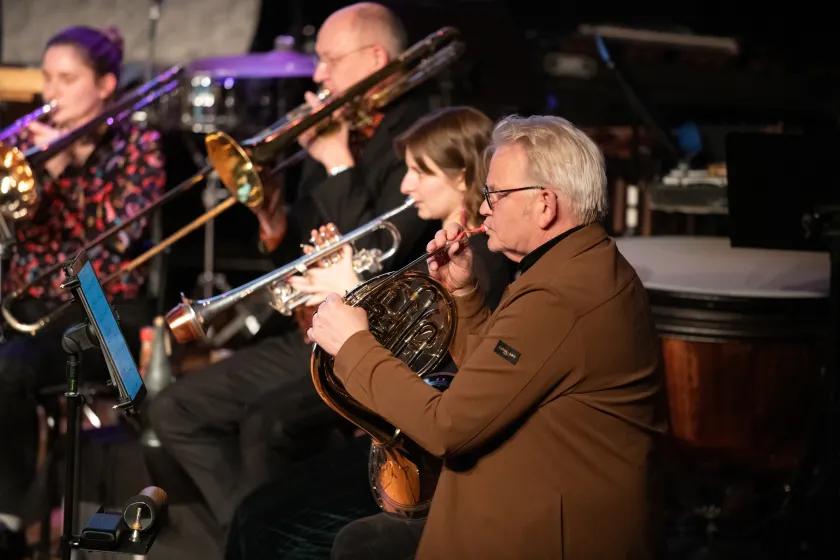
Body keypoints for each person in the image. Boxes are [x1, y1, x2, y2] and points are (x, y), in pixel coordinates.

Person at [309, 114, 668, 559]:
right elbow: (499, 383)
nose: (482, 209)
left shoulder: (560, 295)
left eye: (494, 195)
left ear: (545, 204)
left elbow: (447, 429)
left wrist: (353, 346)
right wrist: (464, 295)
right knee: (364, 542)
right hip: (532, 503)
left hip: (545, 533)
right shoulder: (578, 262)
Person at [148, 1, 440, 538]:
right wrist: (273, 219)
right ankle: (254, 539)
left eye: (329, 60)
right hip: (310, 329)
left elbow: (377, 255)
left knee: (266, 424)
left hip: (371, 339)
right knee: (174, 410)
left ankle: (263, 540)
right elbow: (303, 262)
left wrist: (335, 162)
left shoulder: (421, 135)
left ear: (375, 58)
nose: (318, 75)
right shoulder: (334, 133)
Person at [223, 106, 517, 559]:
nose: (404, 184)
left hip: (422, 439)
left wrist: (350, 293)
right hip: (389, 412)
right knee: (254, 509)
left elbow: (449, 369)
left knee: (263, 518)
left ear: (462, 175)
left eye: (420, 170)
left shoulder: (483, 258)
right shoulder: (441, 245)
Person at [0, 26, 166, 558]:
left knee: (11, 369)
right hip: (23, 302)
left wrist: (67, 167)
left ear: (105, 85)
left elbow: (117, 236)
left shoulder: (140, 146)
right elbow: (15, 230)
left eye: (67, 79)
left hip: (99, 315)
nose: (51, 91)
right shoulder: (28, 146)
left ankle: (7, 517)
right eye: (48, 77)